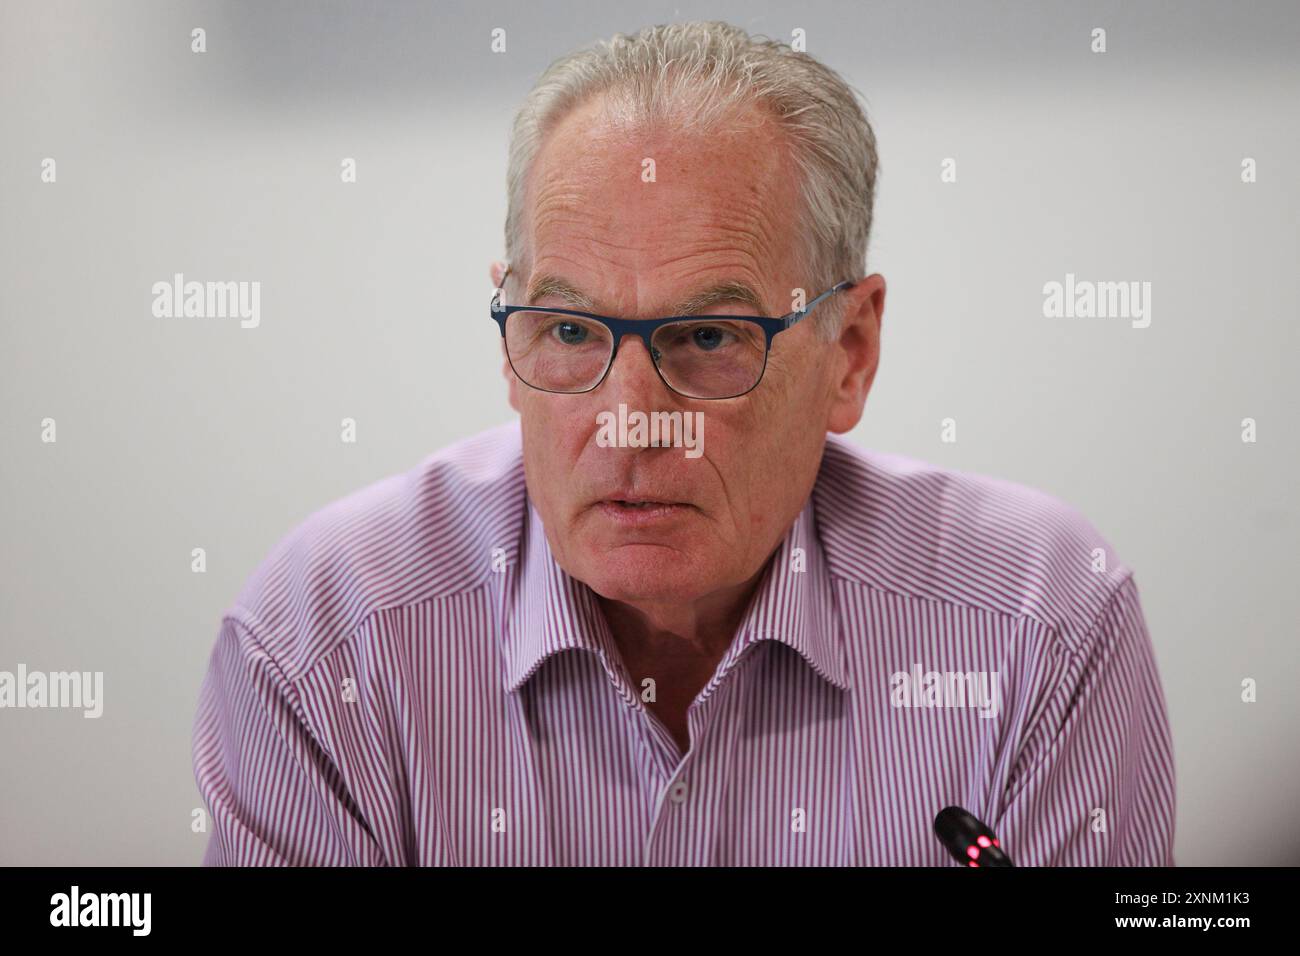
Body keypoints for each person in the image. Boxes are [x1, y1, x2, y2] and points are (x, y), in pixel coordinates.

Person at [192, 20, 1175, 865]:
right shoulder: (325, 638)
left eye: (708, 337)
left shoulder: (1036, 619)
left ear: (851, 352)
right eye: (569, 331)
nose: (628, 418)